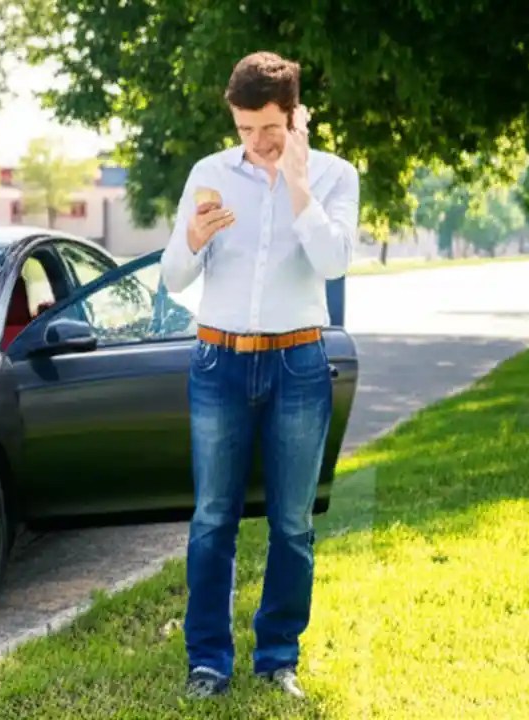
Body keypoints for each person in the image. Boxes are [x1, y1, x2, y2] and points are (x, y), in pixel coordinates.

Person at [159, 51, 361, 700]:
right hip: (218, 361)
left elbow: (332, 262)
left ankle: (277, 660)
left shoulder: (334, 176)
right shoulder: (209, 174)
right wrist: (192, 237)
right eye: (244, 128)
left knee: (292, 524)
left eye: (269, 127)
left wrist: (296, 182)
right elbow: (174, 277)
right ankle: (208, 664)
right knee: (212, 518)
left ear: (295, 115)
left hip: (299, 363)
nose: (256, 142)